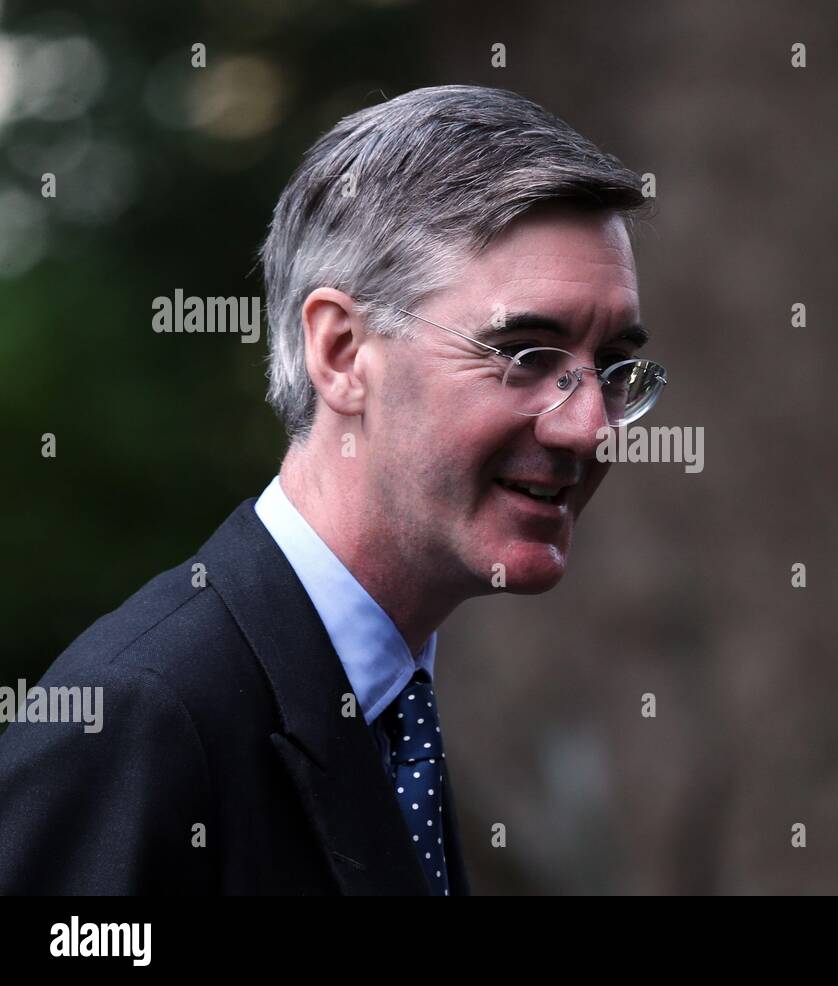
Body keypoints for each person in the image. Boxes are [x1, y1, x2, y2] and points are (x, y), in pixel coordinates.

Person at [0, 85, 666, 894]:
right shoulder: (136, 721)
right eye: (526, 355)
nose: (591, 426)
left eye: (613, 369)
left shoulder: (387, 701)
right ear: (344, 353)